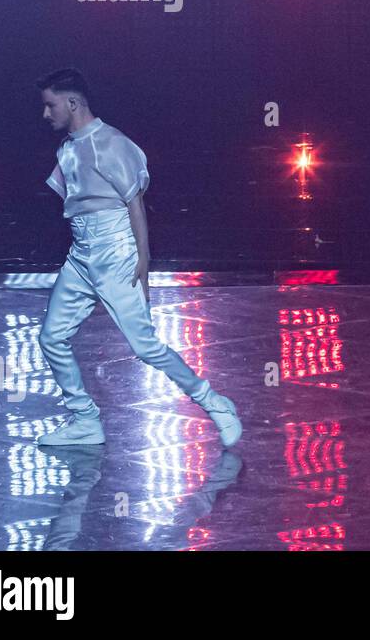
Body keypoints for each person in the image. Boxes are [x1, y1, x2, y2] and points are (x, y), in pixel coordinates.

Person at [34, 68, 242, 447]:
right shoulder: (66, 149)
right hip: (81, 255)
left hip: (116, 253)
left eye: (50, 106)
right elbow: (75, 201)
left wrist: (142, 262)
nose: (46, 114)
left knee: (145, 346)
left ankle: (215, 404)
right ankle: (84, 419)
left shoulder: (112, 143)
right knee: (51, 337)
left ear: (72, 102)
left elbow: (135, 204)